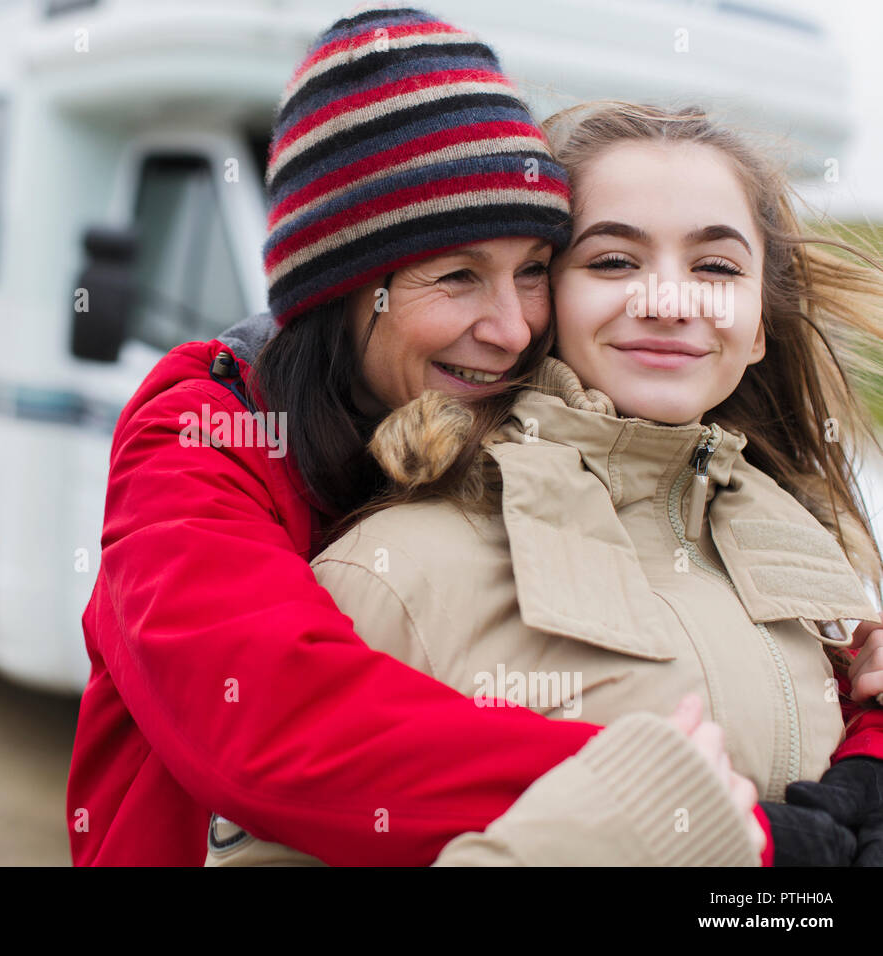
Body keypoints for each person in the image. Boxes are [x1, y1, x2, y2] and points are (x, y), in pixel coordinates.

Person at [65, 7, 774, 866]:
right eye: (457, 277)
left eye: (531, 273)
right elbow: (271, 728)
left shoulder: (516, 424)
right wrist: (666, 798)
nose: (513, 328)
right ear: (345, 291)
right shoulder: (206, 433)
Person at [206, 101, 883, 866]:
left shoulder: (818, 567)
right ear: (540, 301)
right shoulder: (392, 572)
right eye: (613, 262)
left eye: (717, 268)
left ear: (757, 323)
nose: (668, 301)